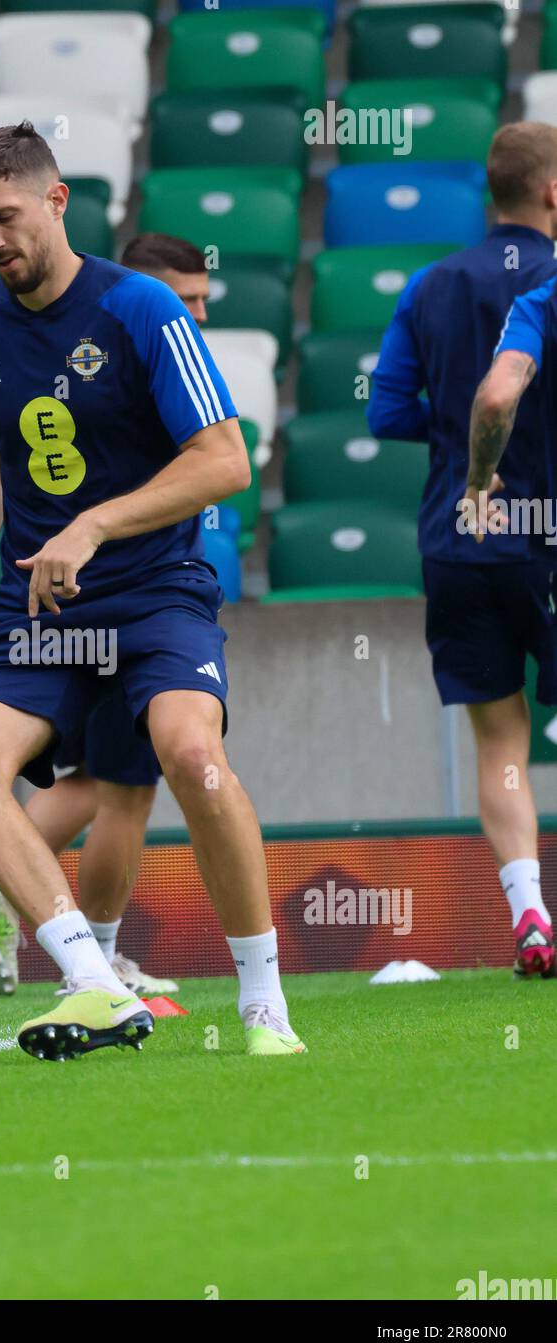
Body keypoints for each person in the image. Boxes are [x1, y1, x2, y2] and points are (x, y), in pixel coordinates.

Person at [0, 122, 305, 1059]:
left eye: (6, 217)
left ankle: (264, 1005)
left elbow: (224, 462)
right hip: (38, 609)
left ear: (57, 201)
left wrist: (93, 524)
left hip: (152, 592)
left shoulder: (141, 309)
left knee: (190, 754)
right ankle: (92, 980)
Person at [0, 233, 213, 999]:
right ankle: (94, 956)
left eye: (204, 300)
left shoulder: (142, 346)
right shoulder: (128, 339)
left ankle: (35, 900)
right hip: (120, 605)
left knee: (102, 777)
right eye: (187, 299)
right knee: (125, 788)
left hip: (106, 605)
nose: (197, 314)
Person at [368, 122, 557, 979]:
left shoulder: (431, 283)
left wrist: (460, 444)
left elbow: (387, 413)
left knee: (500, 741)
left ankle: (529, 915)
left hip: (462, 536)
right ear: (552, 193)